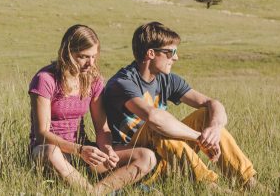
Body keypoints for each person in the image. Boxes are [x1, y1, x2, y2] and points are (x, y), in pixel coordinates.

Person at [101, 21, 266, 191]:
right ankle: (210, 187)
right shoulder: (123, 83)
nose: (175, 57)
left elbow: (213, 104)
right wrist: (199, 138)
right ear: (151, 53)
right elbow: (154, 118)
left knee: (205, 115)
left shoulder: (167, 79)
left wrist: (214, 129)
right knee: (156, 126)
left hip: (167, 153)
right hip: (136, 160)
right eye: (170, 52)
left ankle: (250, 184)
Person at [30, 24, 157, 194]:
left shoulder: (93, 80)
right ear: (67, 53)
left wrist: (108, 150)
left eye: (93, 57)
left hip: (84, 151)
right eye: (83, 57)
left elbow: (102, 129)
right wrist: (79, 150)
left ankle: (96, 192)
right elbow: (42, 134)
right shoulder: (45, 79)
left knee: (147, 157)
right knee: (51, 152)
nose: (90, 63)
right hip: (49, 151)